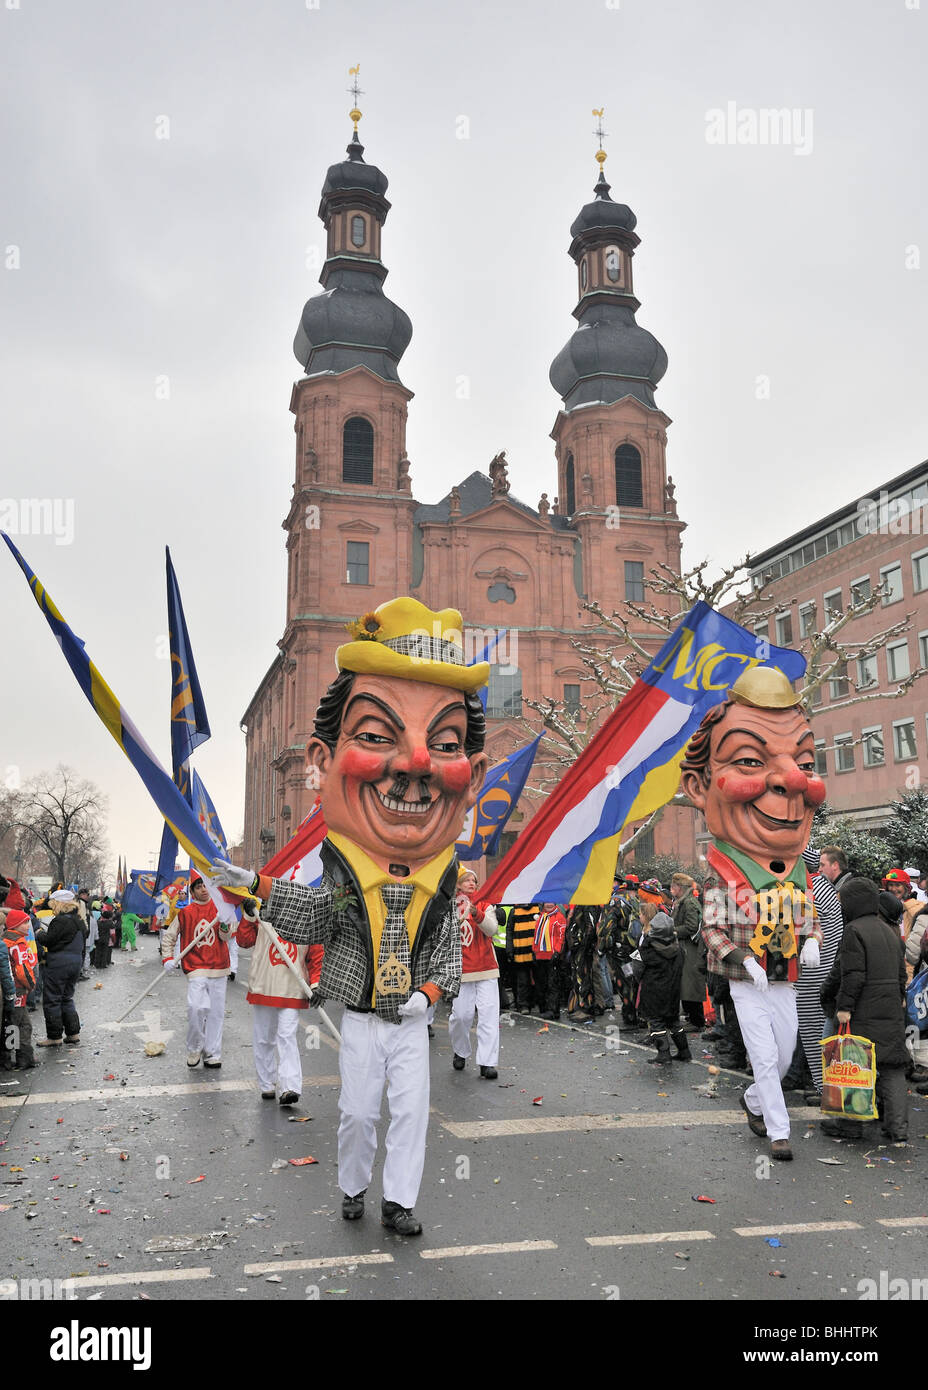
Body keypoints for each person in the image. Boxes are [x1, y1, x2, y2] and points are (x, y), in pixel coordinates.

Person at [209, 596, 489, 1237]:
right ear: (322, 760)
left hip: (409, 1021)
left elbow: (448, 946)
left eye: (443, 743)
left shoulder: (443, 886)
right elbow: (309, 917)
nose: (418, 764)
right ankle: (354, 1185)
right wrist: (254, 884)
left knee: (411, 1112)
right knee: (360, 1113)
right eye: (374, 735)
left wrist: (429, 993)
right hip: (360, 1019)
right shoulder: (343, 882)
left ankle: (400, 1201)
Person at [681, 666, 824, 1162]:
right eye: (748, 758)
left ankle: (753, 1100)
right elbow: (712, 931)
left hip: (787, 979)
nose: (791, 778)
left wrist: (810, 937)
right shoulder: (722, 878)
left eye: (804, 760)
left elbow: (808, 915)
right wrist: (745, 962)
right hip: (748, 980)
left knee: (784, 1055)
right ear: (699, 785)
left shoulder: (799, 876)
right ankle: (780, 1132)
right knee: (764, 1054)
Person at [819, 877, 909, 1144]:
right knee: (892, 1067)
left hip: (864, 1009)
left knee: (855, 1064)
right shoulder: (889, 931)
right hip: (891, 1006)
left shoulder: (853, 931)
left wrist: (844, 1007)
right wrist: (899, 997)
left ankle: (851, 1126)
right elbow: (902, 974)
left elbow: (853, 974)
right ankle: (898, 1130)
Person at [236, 896, 322, 1105]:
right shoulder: (261, 915)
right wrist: (247, 916)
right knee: (264, 1038)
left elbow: (317, 954)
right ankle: (267, 1084)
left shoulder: (306, 921)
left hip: (292, 987)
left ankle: (290, 1086)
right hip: (264, 986)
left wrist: (316, 984)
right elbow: (244, 940)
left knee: (286, 1036)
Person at [161, 870, 234, 1068]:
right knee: (195, 1008)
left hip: (219, 968)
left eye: (205, 886)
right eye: (199, 886)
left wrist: (225, 926)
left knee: (215, 1013)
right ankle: (194, 1047)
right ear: (192, 892)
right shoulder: (185, 913)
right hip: (195, 967)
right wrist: (167, 957)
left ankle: (212, 1053)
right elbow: (169, 936)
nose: (203, 889)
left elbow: (227, 937)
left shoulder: (221, 909)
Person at [449, 869, 501, 1076]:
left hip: (487, 968)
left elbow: (492, 930)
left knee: (489, 1016)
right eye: (467, 880)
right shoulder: (449, 907)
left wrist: (475, 912)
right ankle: (460, 1051)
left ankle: (487, 1063)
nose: (472, 883)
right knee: (461, 1016)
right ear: (458, 885)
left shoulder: (485, 905)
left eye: (475, 881)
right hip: (462, 969)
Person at [34, 889, 84, 1047]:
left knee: (52, 999)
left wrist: (39, 933)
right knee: (67, 998)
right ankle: (73, 1033)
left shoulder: (61, 920)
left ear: (57, 903)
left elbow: (49, 940)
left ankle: (54, 1037)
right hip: (76, 962)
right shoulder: (79, 919)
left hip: (58, 963)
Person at [0, 905, 37, 1070]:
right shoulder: (18, 944)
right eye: (24, 923)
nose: (28, 926)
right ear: (15, 925)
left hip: (10, 989)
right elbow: (22, 970)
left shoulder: (6, 941)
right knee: (20, 1025)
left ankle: (11, 1059)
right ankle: (21, 1059)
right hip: (18, 989)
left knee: (11, 1023)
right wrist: (31, 985)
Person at [670, 872, 705, 1030]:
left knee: (691, 984)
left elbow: (691, 927)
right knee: (686, 984)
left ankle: (697, 1021)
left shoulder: (689, 903)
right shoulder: (683, 902)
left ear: (680, 887)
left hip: (690, 948)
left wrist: (672, 930)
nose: (671, 889)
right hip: (684, 947)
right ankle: (693, 1018)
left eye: (673, 886)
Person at [531, 901, 567, 1023]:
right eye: (547, 902)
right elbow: (537, 935)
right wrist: (534, 951)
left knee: (553, 984)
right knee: (542, 983)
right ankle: (544, 1007)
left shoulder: (559, 917)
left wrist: (557, 952)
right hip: (540, 956)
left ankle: (553, 1010)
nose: (549, 904)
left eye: (551, 902)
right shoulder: (542, 916)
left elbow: (560, 936)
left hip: (552, 956)